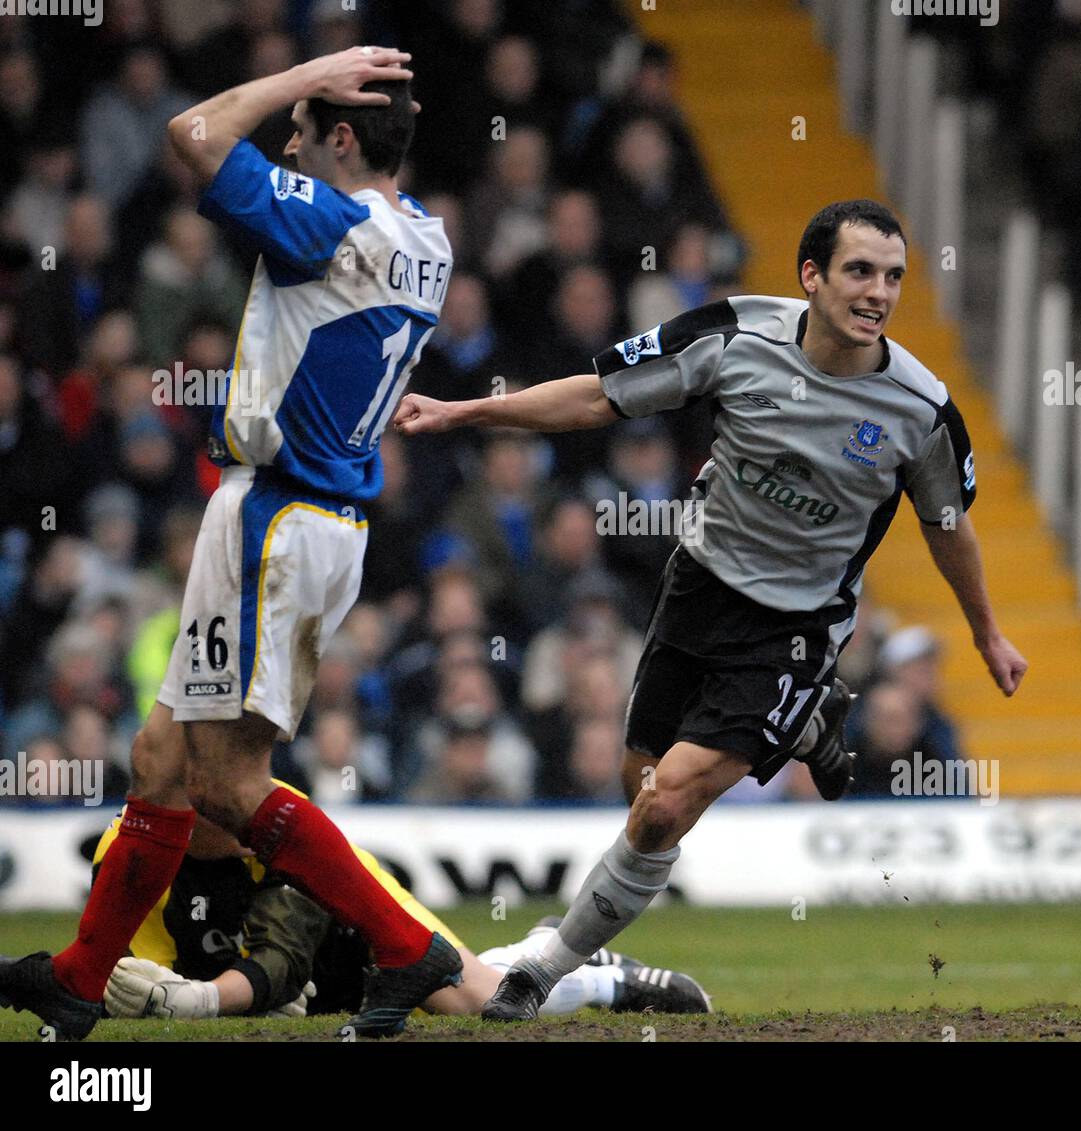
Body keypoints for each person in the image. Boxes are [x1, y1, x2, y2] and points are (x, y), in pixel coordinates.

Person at [394, 198, 1028, 1020]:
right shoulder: (732, 336)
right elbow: (598, 397)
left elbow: (948, 526)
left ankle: (541, 969)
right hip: (699, 585)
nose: (879, 292)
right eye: (860, 271)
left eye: (894, 277)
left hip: (795, 626)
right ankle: (804, 727)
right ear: (812, 276)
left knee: (668, 802)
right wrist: (465, 411)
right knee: (641, 788)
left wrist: (985, 631)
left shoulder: (920, 408)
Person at [0, 46, 458, 1042]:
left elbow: (192, 134)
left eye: (302, 130)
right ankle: (81, 980)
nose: (286, 141)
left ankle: (399, 945)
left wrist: (308, 69)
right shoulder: (426, 235)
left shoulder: (333, 220)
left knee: (230, 785)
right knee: (160, 757)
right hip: (301, 514)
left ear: (340, 136)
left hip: (280, 517)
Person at [95, 802, 710, 1022]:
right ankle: (543, 944)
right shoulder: (126, 856)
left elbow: (279, 963)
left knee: (479, 1002)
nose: (241, 803)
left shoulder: (277, 824)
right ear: (179, 799)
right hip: (296, 984)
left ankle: (610, 982)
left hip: (350, 933)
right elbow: (135, 984)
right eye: (219, 797)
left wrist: (208, 1000)